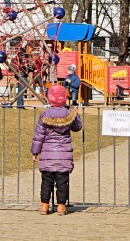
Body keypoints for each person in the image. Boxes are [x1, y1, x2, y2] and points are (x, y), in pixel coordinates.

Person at [32, 84, 83, 214]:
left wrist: (35, 152)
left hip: (48, 155)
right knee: (62, 182)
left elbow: (39, 136)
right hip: (63, 155)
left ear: (50, 99)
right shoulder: (68, 114)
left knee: (46, 182)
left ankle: (44, 205)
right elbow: (77, 127)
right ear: (64, 99)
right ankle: (61, 206)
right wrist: (76, 115)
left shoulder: (45, 115)